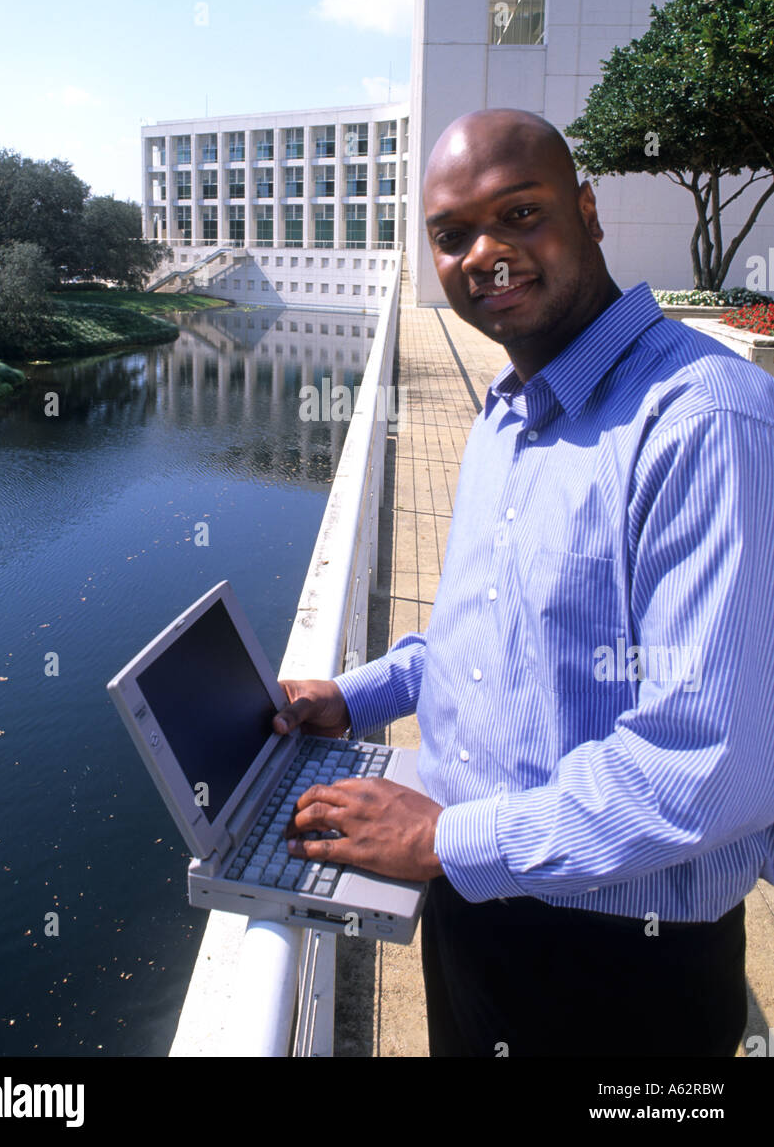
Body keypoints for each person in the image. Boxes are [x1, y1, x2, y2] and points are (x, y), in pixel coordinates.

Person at [272, 108, 774, 1058]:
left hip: (621, 968)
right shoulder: (505, 414)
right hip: (477, 903)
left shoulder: (704, 424)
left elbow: (710, 763)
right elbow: (483, 636)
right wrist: (352, 695)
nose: (487, 256)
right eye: (453, 235)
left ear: (587, 211)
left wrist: (440, 842)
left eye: (519, 214)